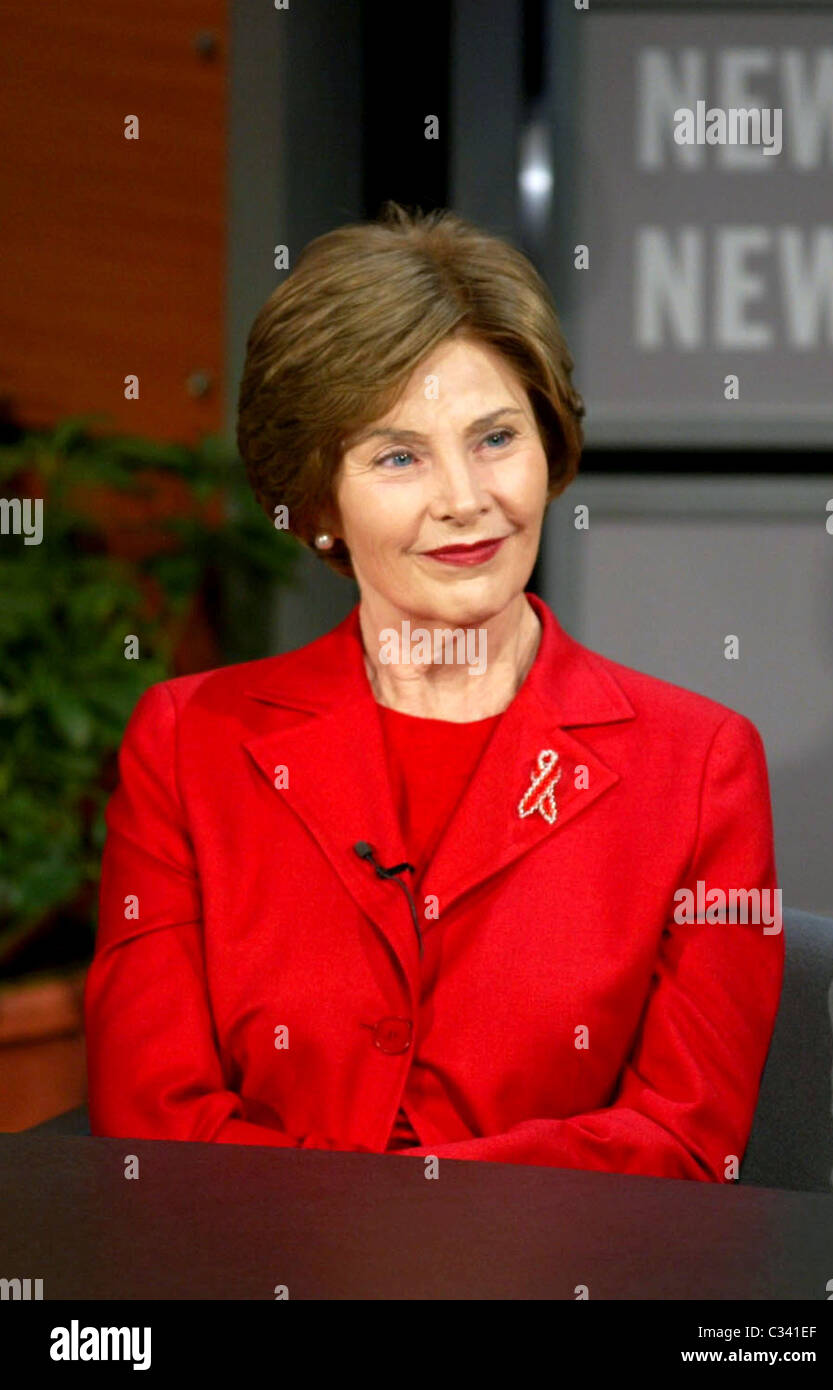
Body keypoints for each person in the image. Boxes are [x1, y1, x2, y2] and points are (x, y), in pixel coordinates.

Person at [84, 203, 784, 1180]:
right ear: (320, 498)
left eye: (496, 436)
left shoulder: (700, 767)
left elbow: (680, 1139)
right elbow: (148, 1116)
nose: (464, 496)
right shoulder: (185, 743)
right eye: (398, 455)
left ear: (549, 446)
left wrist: (416, 1240)